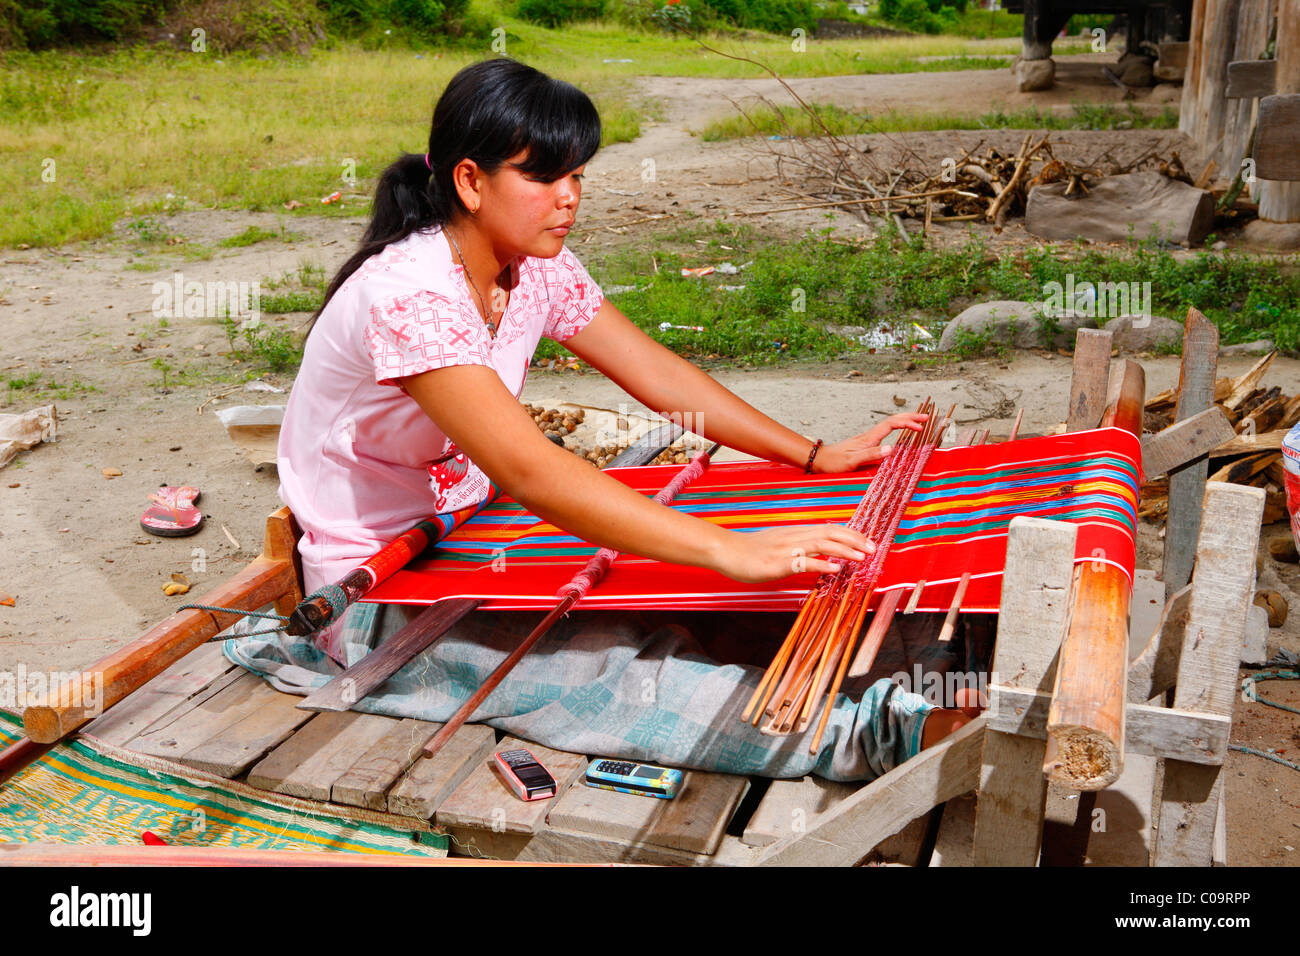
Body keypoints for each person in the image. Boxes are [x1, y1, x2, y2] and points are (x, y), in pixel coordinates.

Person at [227, 58, 981, 782]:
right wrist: (734, 549)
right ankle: (882, 731)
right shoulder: (410, 294)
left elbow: (656, 374)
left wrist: (813, 455)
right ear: (470, 180)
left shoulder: (535, 267)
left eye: (577, 175)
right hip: (379, 588)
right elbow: (531, 472)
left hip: (470, 531)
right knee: (603, 673)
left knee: (702, 603)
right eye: (542, 175)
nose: (568, 197)